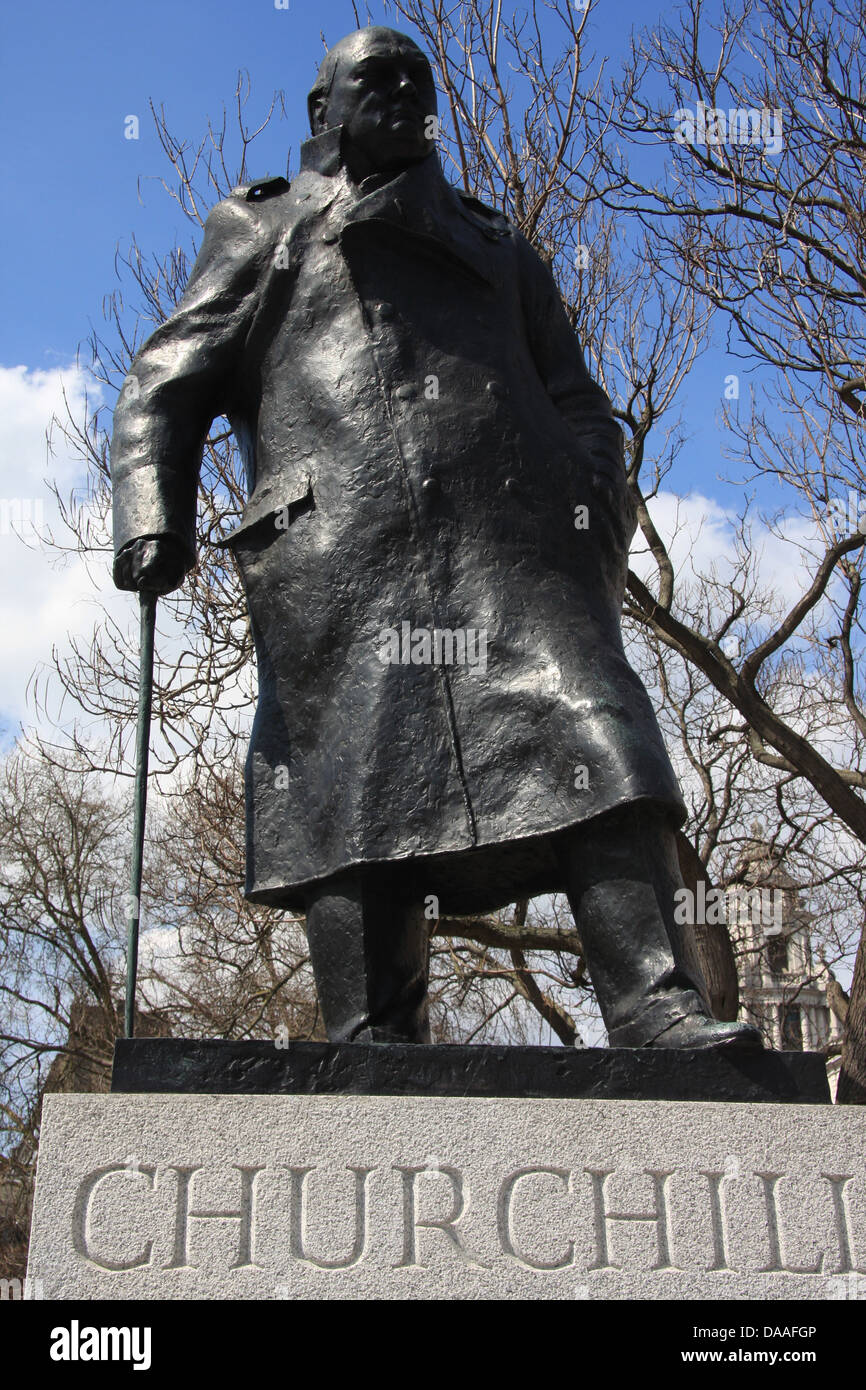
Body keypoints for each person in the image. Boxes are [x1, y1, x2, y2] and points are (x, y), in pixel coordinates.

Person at [111, 27, 761, 1052]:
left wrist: (590, 487)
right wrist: (154, 511)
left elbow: (579, 399)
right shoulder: (262, 225)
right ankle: (371, 1036)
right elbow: (166, 378)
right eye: (379, 78)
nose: (406, 89)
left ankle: (652, 1007)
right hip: (342, 560)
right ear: (322, 112)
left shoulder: (500, 248)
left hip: (514, 557)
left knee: (599, 734)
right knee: (357, 789)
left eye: (418, 76)